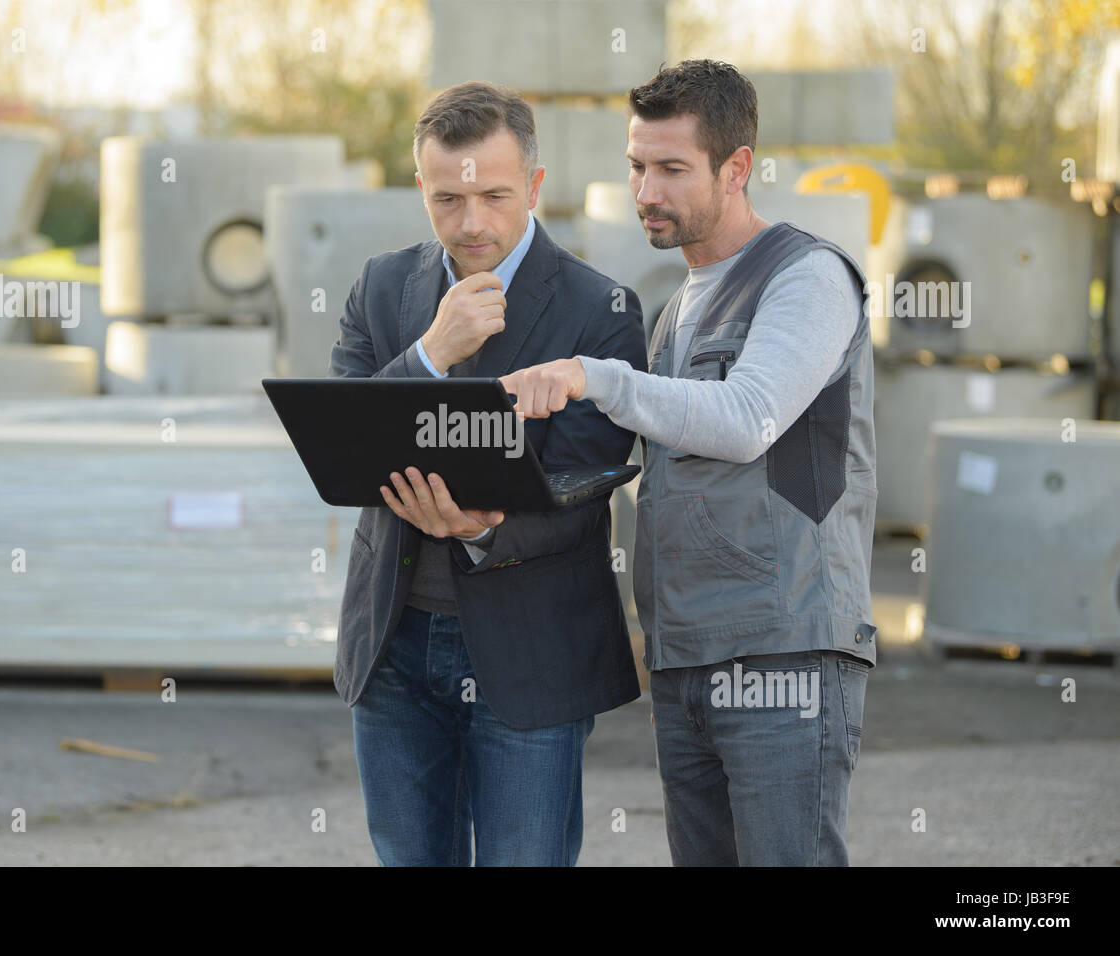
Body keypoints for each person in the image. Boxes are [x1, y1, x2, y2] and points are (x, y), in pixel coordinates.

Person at [500, 59, 877, 866]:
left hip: (786, 654)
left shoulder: (806, 277)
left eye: (672, 169)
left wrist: (595, 377)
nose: (646, 192)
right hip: (688, 657)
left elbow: (746, 420)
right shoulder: (678, 310)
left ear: (736, 169)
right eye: (637, 166)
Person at [327, 81, 648, 866]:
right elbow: (339, 444)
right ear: (421, 189)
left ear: (535, 186)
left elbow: (590, 478)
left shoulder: (598, 309)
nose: (471, 223)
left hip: (532, 645)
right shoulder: (379, 287)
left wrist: (479, 529)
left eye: (495, 196)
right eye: (446, 200)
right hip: (395, 641)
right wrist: (432, 353)